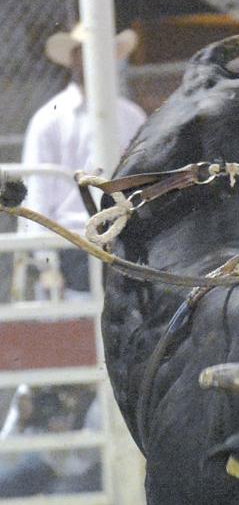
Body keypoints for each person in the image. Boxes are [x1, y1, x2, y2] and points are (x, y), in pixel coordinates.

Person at [20, 22, 147, 298]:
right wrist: (47, 264)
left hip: (127, 239)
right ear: (73, 58)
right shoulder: (49, 119)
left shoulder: (131, 115)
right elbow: (37, 195)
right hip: (71, 245)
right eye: (85, 52)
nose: (93, 59)